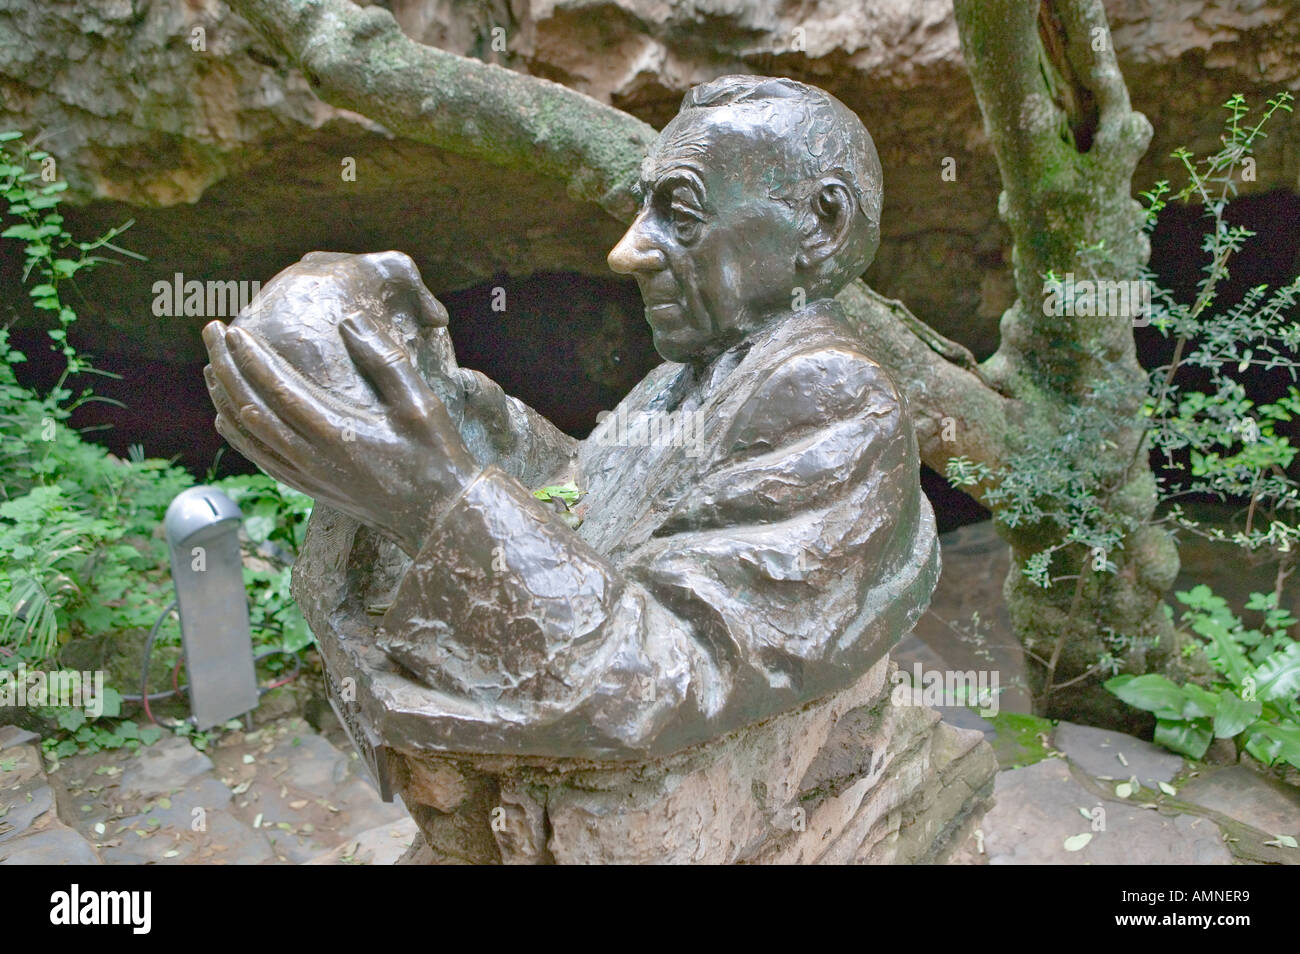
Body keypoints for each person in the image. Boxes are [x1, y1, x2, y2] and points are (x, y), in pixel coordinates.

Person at [203, 75, 939, 759]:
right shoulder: (692, 374)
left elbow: (652, 686)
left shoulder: (831, 397)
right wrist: (433, 403)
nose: (627, 251)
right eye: (641, 209)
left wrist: (436, 497)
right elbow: (578, 493)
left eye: (679, 215)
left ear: (822, 224)